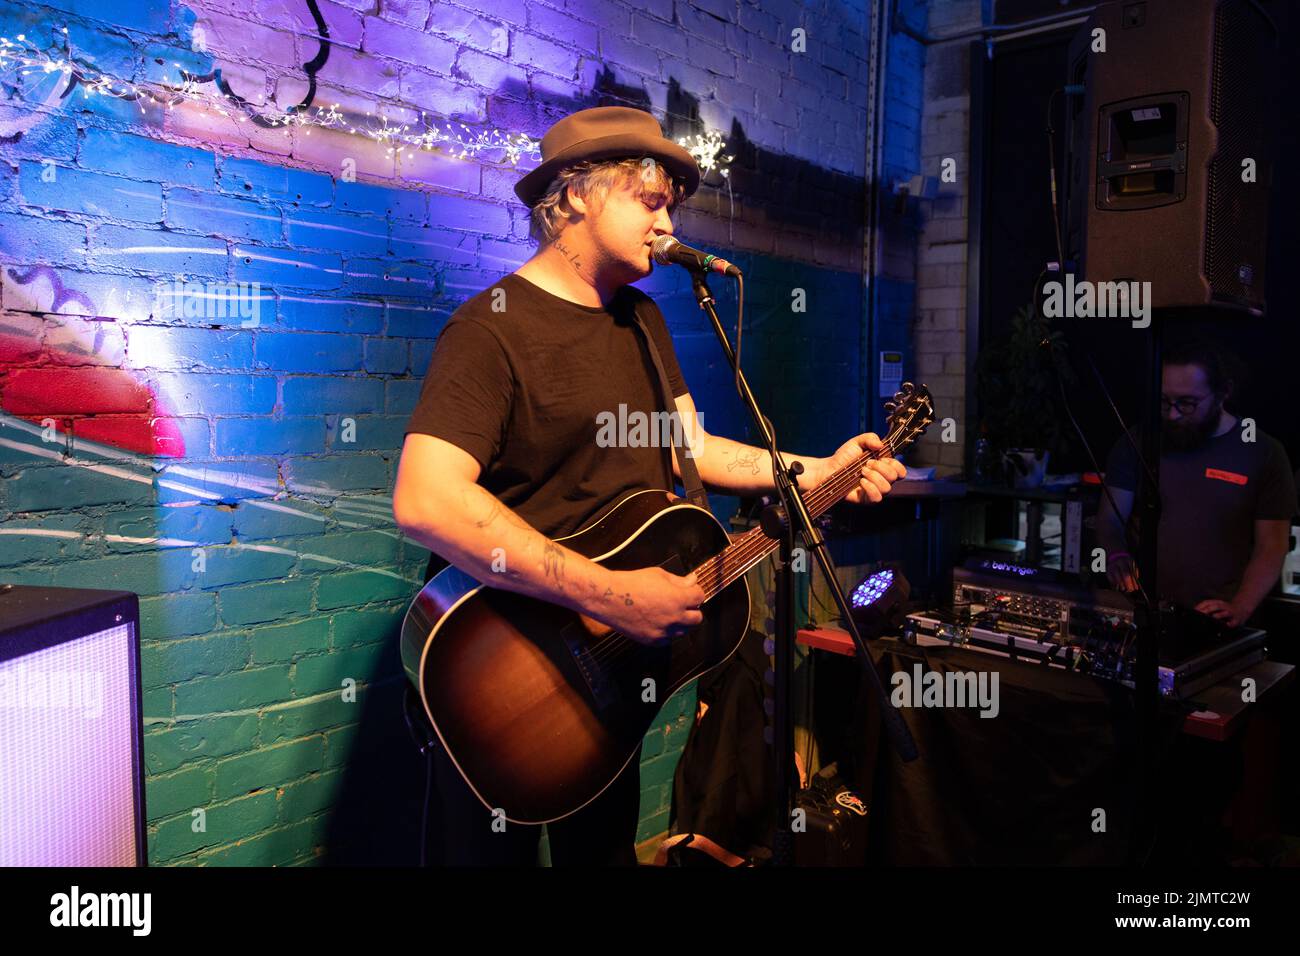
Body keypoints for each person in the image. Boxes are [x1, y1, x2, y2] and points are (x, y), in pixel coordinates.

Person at [391, 106, 907, 866]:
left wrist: (816, 471)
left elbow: (689, 448)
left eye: (672, 203)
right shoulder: (489, 329)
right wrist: (606, 594)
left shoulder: (641, 321)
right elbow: (426, 499)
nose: (667, 220)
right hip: (501, 677)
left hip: (608, 688)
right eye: (650, 198)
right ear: (573, 197)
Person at [1097, 338, 1295, 628]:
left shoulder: (1263, 452)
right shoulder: (1139, 441)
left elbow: (1272, 546)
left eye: (1187, 404)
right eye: (1164, 401)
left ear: (1223, 392)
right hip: (1144, 614)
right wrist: (1116, 554)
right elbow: (1109, 519)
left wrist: (1240, 606)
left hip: (1215, 617)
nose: (1173, 414)